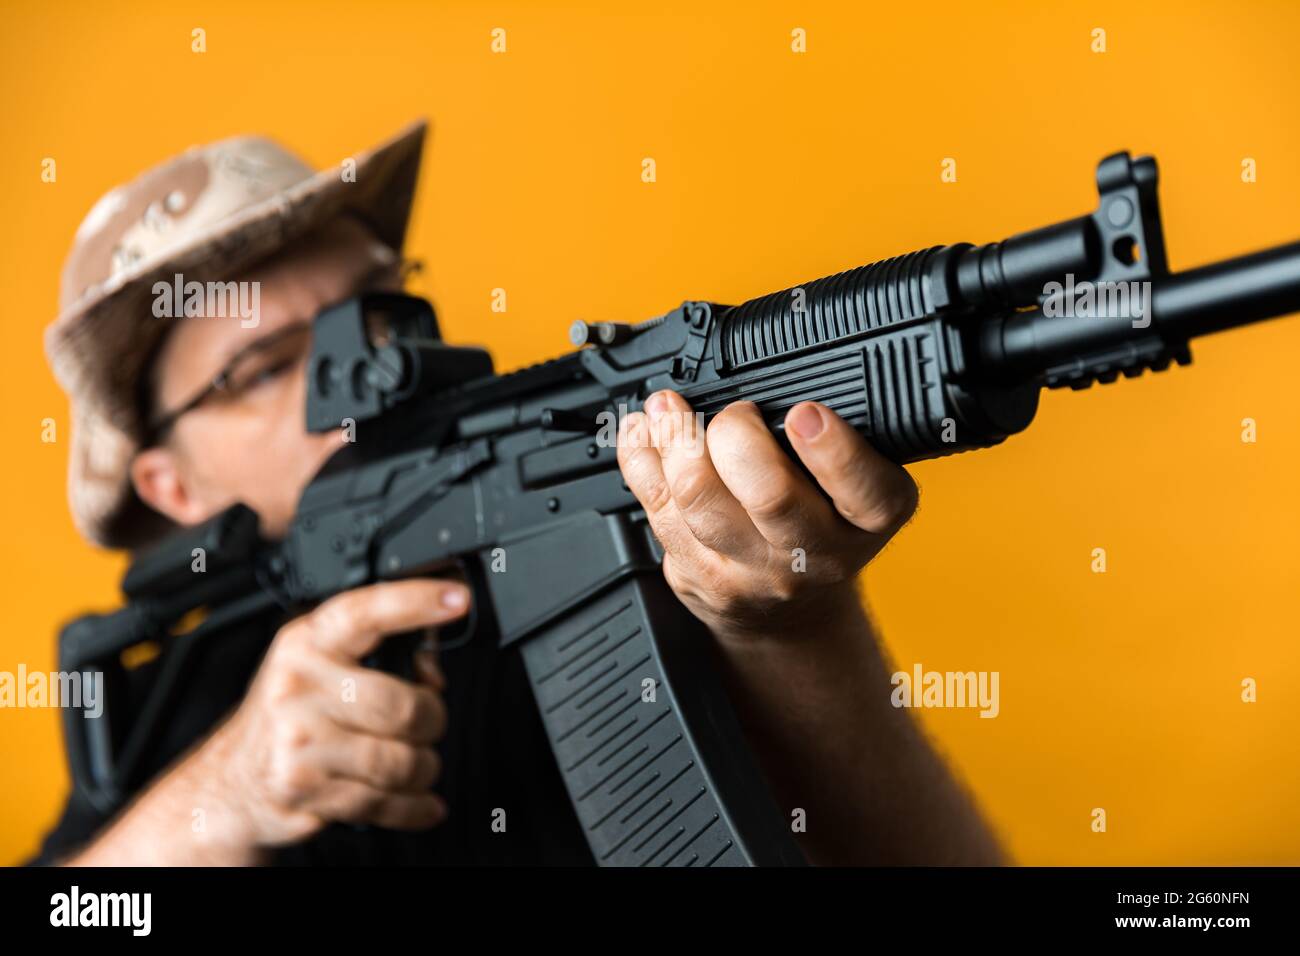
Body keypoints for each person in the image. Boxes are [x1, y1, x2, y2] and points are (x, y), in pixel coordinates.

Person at [35, 121, 1003, 866]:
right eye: (262, 364)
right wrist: (221, 796)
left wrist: (795, 633)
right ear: (173, 484)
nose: (362, 368)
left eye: (377, 309)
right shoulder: (183, 694)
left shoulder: (636, 554)